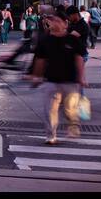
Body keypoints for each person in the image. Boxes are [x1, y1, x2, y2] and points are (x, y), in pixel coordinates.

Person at [31, 12, 84, 144]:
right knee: (49, 109)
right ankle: (51, 135)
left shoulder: (72, 40)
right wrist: (36, 76)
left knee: (70, 110)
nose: (54, 23)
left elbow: (79, 59)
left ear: (65, 24)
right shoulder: (45, 40)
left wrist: (81, 77)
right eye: (52, 21)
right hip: (50, 80)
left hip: (70, 81)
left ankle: (73, 125)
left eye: (58, 21)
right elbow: (40, 60)